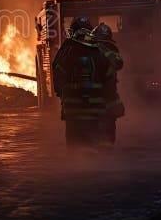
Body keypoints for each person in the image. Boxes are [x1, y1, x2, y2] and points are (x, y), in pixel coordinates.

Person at [53, 17, 124, 148]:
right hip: (95, 108)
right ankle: (100, 159)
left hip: (73, 110)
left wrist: (63, 95)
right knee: (100, 143)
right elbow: (109, 75)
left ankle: (78, 163)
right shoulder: (98, 54)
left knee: (74, 143)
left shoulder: (68, 52)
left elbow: (58, 75)